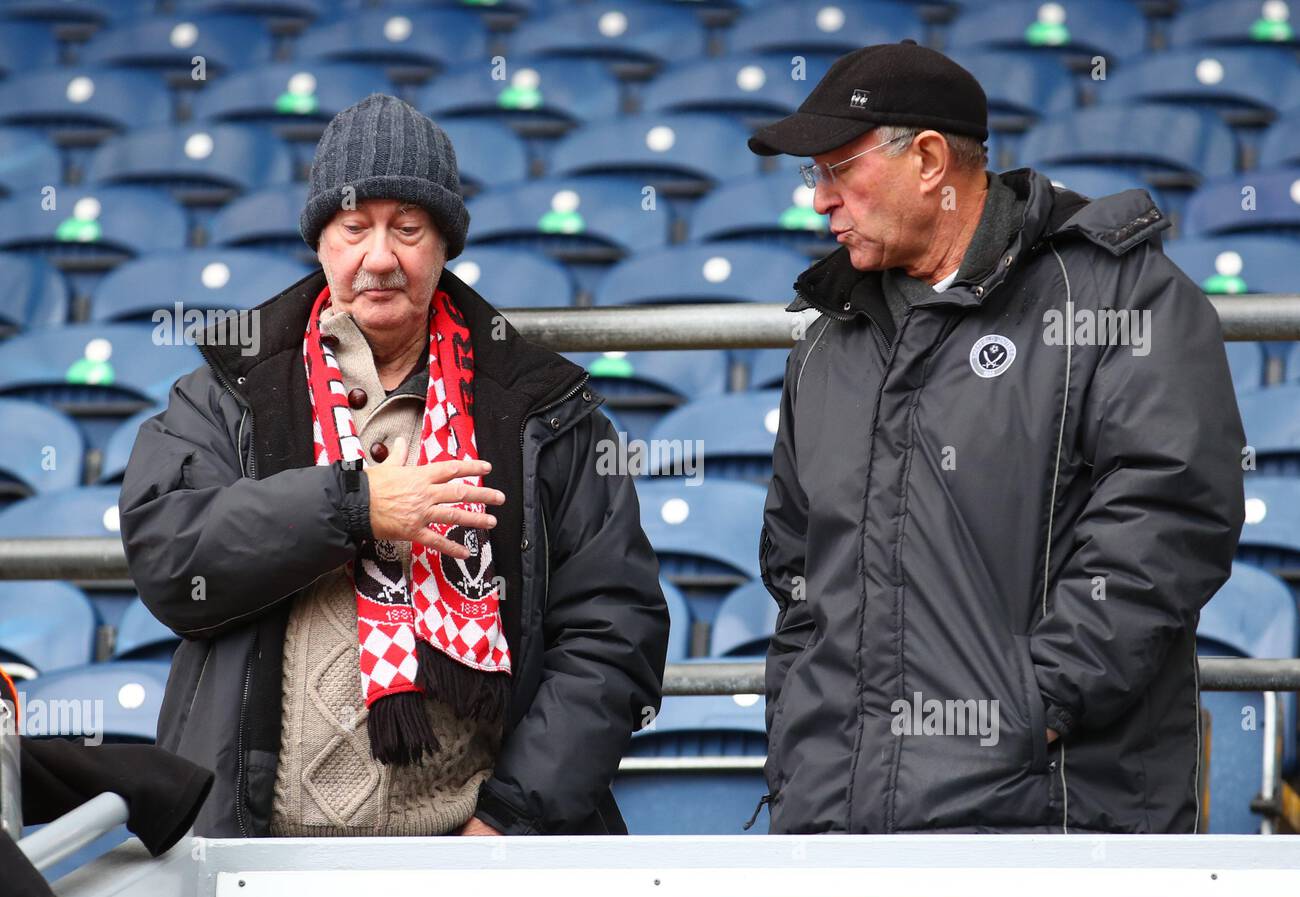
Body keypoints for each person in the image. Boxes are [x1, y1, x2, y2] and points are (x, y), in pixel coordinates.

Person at [119, 94, 668, 837]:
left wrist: (510, 820)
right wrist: (353, 506)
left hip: (469, 863)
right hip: (257, 859)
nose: (379, 257)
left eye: (407, 229)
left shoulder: (541, 406)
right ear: (321, 243)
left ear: (445, 244)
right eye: (354, 229)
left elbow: (614, 626)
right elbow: (171, 554)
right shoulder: (230, 388)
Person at [747, 41, 1245, 834]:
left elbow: (1169, 522)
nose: (819, 202)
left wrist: (1033, 705)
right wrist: (801, 746)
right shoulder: (826, 343)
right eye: (815, 177)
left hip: (1046, 822)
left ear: (931, 161)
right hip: (835, 826)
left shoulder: (1120, 294)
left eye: (837, 169)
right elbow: (796, 577)